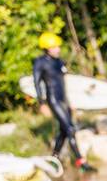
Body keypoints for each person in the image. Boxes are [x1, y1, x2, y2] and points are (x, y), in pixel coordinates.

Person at [32, 32, 95, 173]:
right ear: (47, 48)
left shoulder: (59, 61)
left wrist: (71, 101)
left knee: (63, 131)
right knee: (70, 129)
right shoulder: (40, 62)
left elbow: (67, 83)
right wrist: (42, 103)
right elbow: (36, 83)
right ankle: (81, 162)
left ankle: (54, 157)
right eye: (55, 47)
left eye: (58, 47)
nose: (58, 49)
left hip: (64, 99)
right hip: (53, 100)